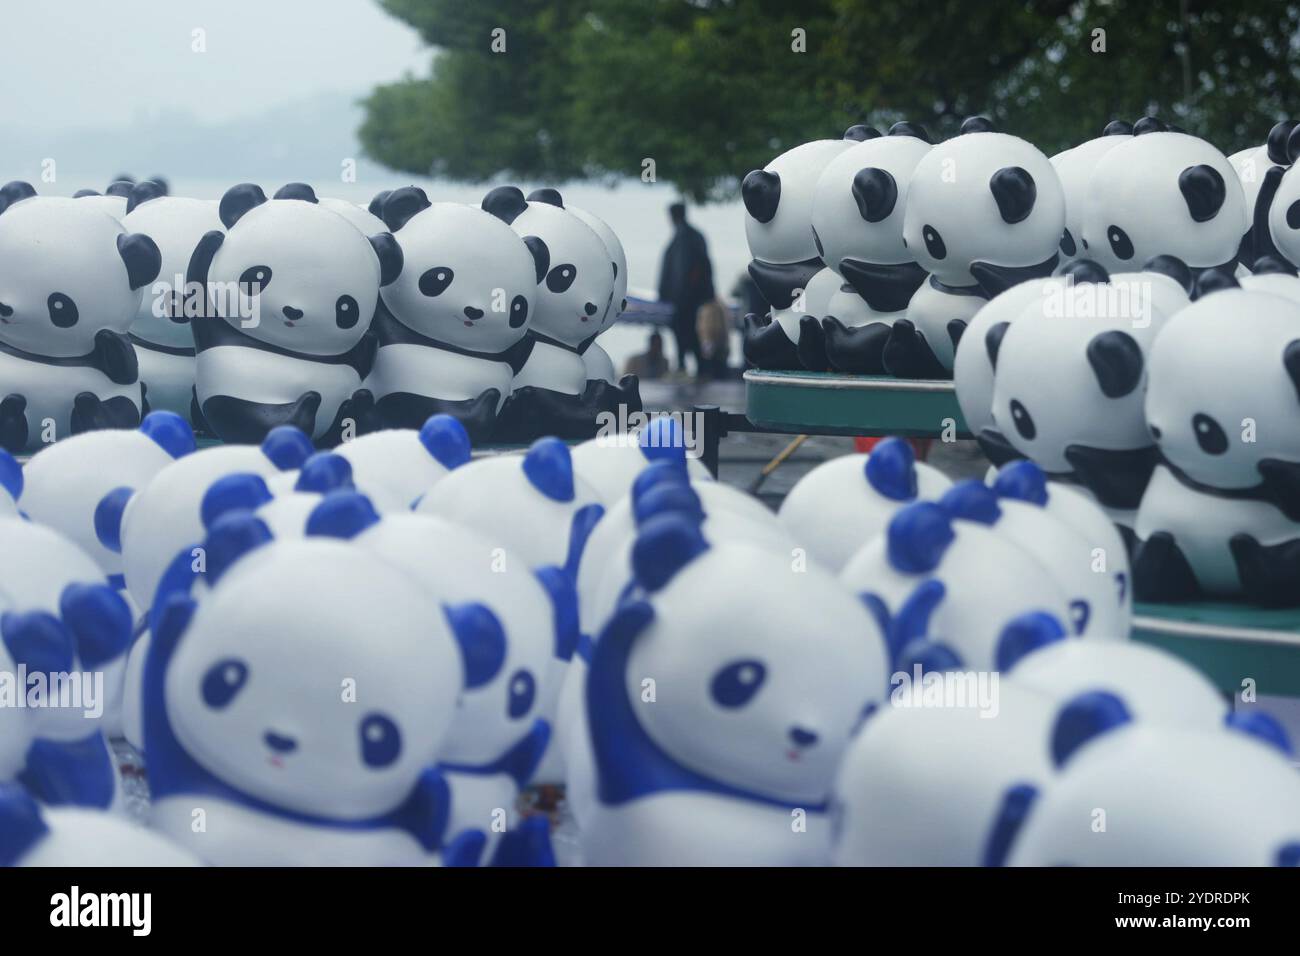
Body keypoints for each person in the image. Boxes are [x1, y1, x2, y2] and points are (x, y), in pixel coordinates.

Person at [657, 202, 714, 373]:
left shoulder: (684, 238)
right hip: (689, 298)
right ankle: (695, 367)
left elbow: (690, 270)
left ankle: (691, 367)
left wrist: (682, 293)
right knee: (690, 333)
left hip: (686, 299)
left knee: (688, 333)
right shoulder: (692, 236)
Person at [695, 299, 732, 380]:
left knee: (710, 366)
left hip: (709, 338)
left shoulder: (706, 307)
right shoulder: (720, 305)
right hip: (717, 339)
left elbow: (702, 326)